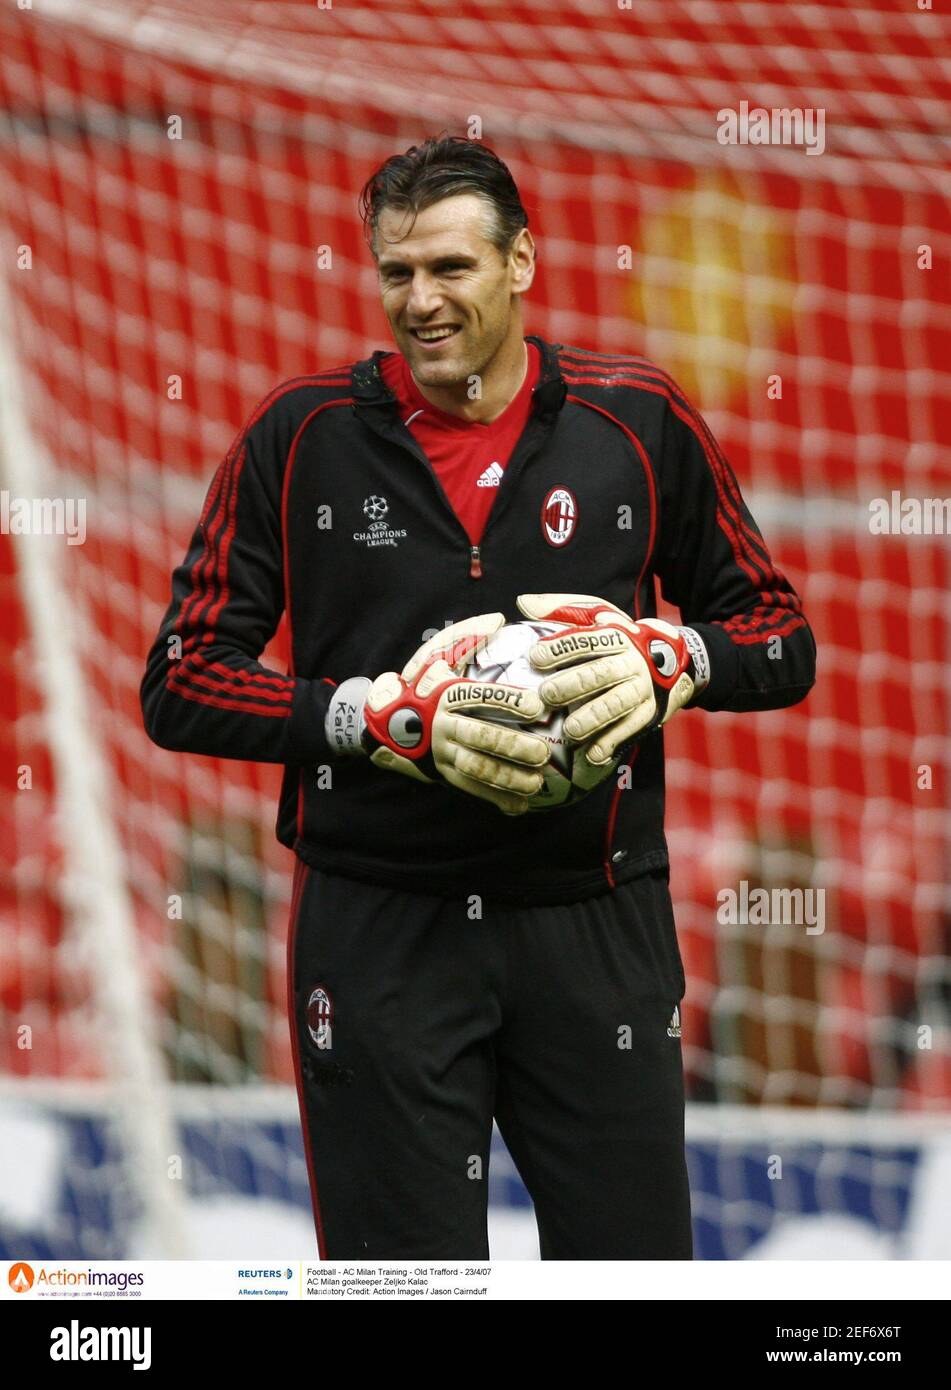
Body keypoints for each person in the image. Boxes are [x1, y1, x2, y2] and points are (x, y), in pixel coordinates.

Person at [141, 134, 816, 1260]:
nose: (422, 300)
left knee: (633, 1285)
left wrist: (675, 662)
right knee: (405, 1292)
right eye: (397, 273)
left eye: (451, 268)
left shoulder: (638, 423)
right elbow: (180, 679)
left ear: (522, 262)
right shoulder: (299, 437)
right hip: (379, 933)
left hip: (592, 923)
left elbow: (781, 637)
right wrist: (371, 721)